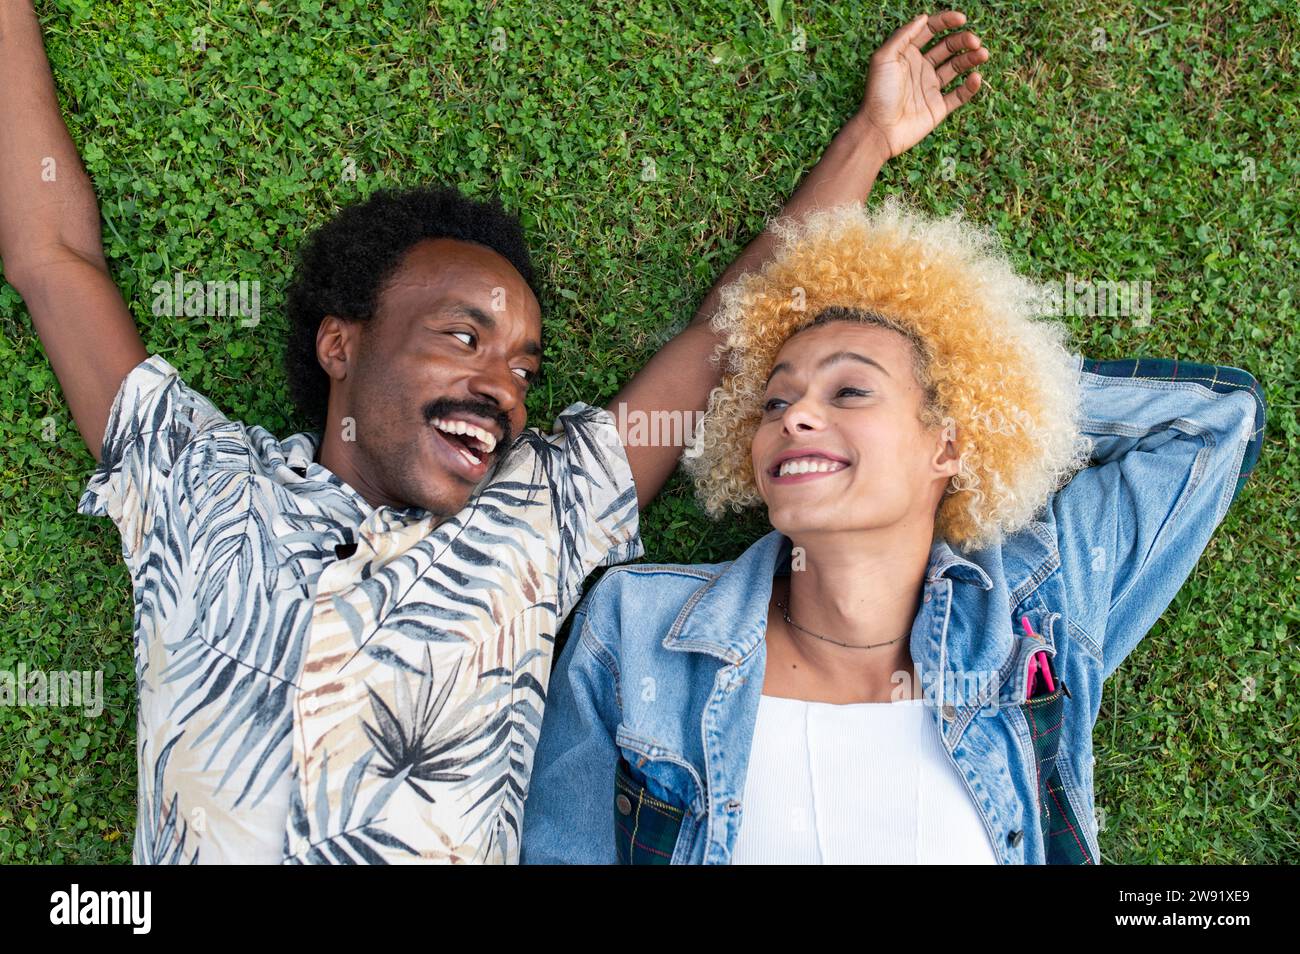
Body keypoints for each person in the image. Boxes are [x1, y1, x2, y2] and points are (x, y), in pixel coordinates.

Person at [0, 1, 987, 862]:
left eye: (520, 367)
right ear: (341, 344)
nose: (500, 390)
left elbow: (721, 336)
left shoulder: (539, 515)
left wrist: (869, 138)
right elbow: (50, 254)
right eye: (462, 338)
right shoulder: (196, 482)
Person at [519, 195, 1267, 865]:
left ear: (947, 444)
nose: (797, 416)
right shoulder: (638, 624)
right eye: (774, 403)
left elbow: (1212, 423)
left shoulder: (1036, 608)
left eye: (850, 389)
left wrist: (999, 385)